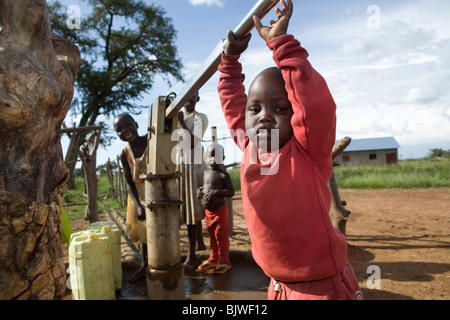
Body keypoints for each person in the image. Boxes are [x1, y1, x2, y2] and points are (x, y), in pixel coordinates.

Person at [217, 0, 362, 300]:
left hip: (320, 289)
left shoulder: (307, 150)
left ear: (295, 115)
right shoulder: (248, 147)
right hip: (277, 286)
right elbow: (233, 103)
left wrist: (281, 45)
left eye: (280, 108)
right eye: (255, 109)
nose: (265, 116)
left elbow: (315, 105)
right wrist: (229, 62)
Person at [176, 91, 209, 273]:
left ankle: (192, 256)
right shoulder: (175, 118)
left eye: (192, 96)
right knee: (188, 208)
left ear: (198, 98)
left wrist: (181, 122)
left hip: (193, 165)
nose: (189, 99)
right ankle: (200, 245)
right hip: (180, 165)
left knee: (193, 208)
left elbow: (192, 143)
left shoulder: (200, 118)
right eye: (186, 96)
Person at [113, 113, 148, 282]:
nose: (125, 131)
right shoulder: (124, 154)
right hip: (138, 198)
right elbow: (129, 183)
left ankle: (166, 264)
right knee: (143, 236)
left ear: (136, 124)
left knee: (161, 232)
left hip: (157, 195)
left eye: (128, 125)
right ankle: (146, 267)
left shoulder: (152, 141)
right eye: (119, 130)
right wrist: (139, 205)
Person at [197, 143, 235, 274]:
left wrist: (217, 192)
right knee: (212, 235)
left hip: (219, 211)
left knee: (221, 236)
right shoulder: (205, 173)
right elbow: (205, 187)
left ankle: (225, 261)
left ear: (223, 157)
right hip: (208, 211)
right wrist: (200, 192)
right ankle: (214, 258)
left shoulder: (224, 175)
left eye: (217, 156)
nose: (213, 159)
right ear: (205, 157)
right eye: (210, 156)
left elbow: (231, 192)